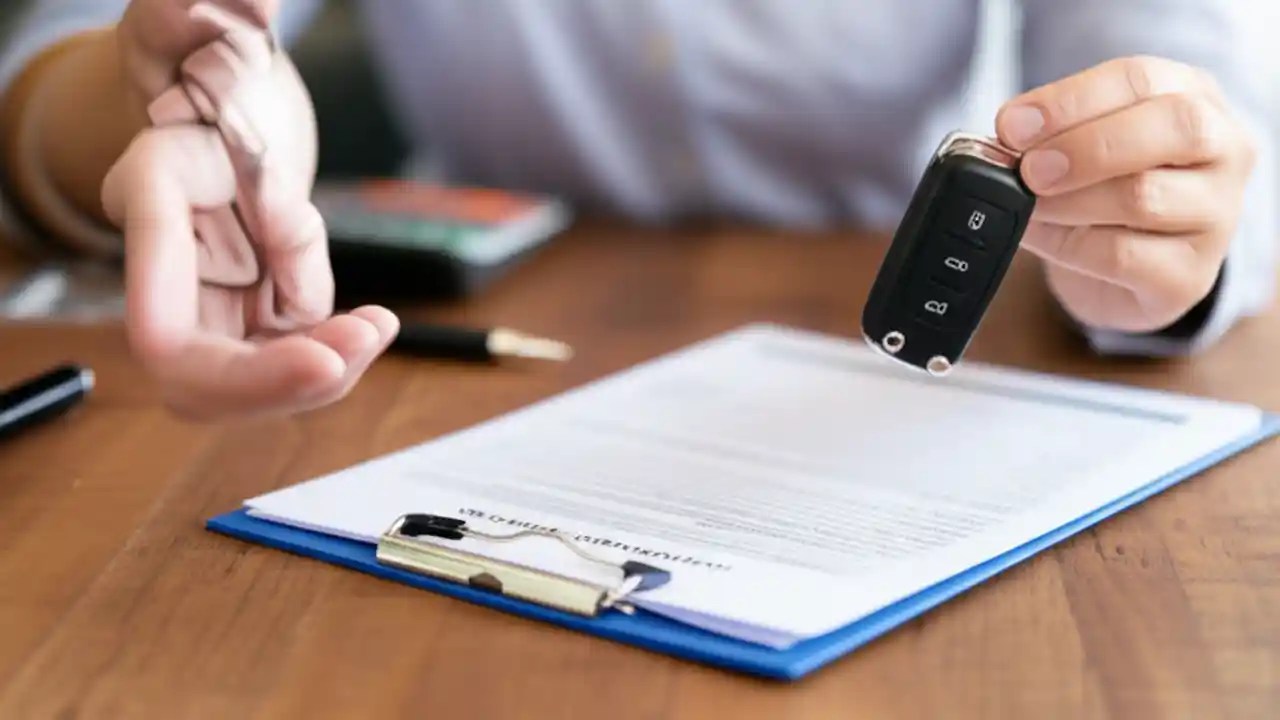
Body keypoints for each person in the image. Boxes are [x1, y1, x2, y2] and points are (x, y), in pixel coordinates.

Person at [0, 1, 1274, 421]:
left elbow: (1200, 88)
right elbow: (74, 46)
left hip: (916, 368)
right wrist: (176, 101)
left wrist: (1161, 234)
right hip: (471, 356)